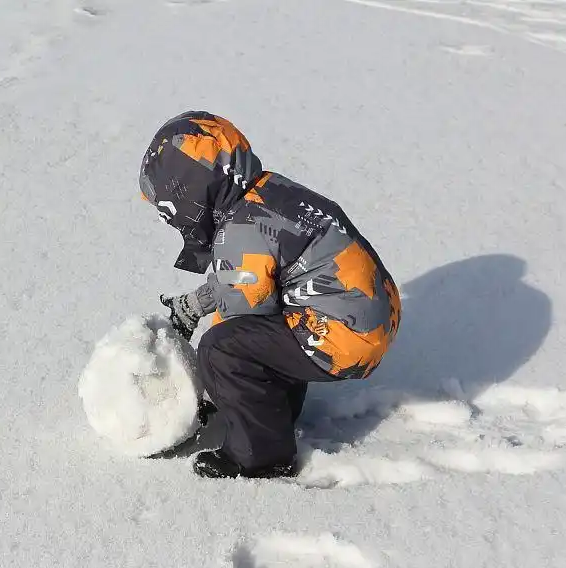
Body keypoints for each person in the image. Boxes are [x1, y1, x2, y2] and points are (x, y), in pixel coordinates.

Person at [140, 111, 401, 479]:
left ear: (192, 192)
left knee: (221, 350)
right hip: (368, 316)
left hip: (342, 337)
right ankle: (272, 413)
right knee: (268, 329)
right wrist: (196, 303)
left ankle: (261, 455)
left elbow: (242, 313)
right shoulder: (267, 195)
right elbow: (247, 278)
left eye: (169, 207)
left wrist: (204, 391)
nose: (169, 218)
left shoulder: (240, 231)